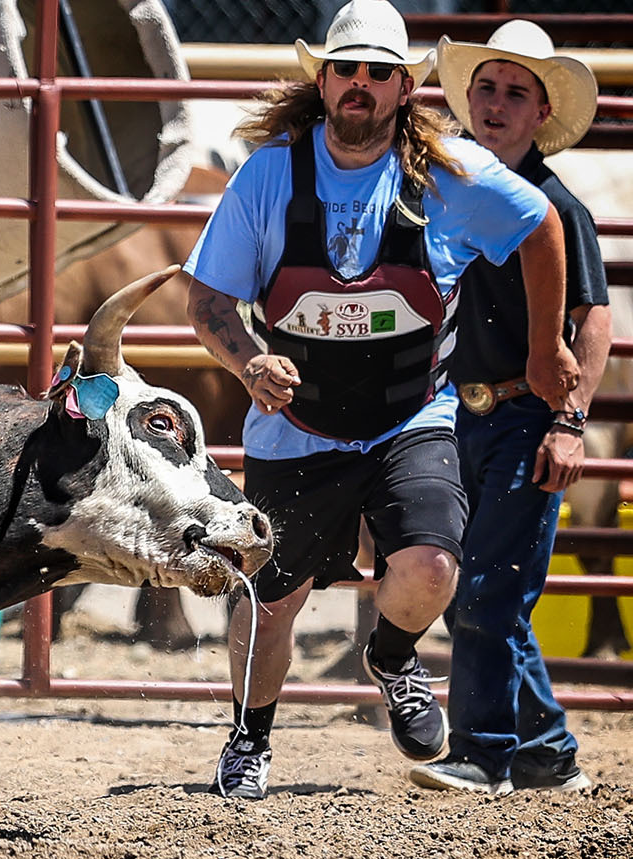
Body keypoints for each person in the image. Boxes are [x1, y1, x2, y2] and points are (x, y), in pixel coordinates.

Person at [182, 0, 580, 800]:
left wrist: (546, 347)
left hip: (412, 417)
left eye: (377, 71)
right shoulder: (269, 174)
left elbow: (542, 224)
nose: (359, 83)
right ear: (323, 81)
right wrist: (252, 363)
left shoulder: (447, 176)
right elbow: (209, 302)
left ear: (406, 87)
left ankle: (393, 655)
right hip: (295, 426)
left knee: (433, 568)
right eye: (345, 69)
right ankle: (248, 740)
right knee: (273, 597)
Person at [405, 21, 608, 796]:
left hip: (525, 415)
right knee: (483, 589)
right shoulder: (452, 191)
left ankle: (484, 754)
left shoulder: (559, 208)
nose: (495, 104)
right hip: (459, 413)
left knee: (489, 587)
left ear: (538, 115)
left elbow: (593, 322)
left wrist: (569, 420)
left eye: (515, 93)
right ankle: (547, 750)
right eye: (486, 88)